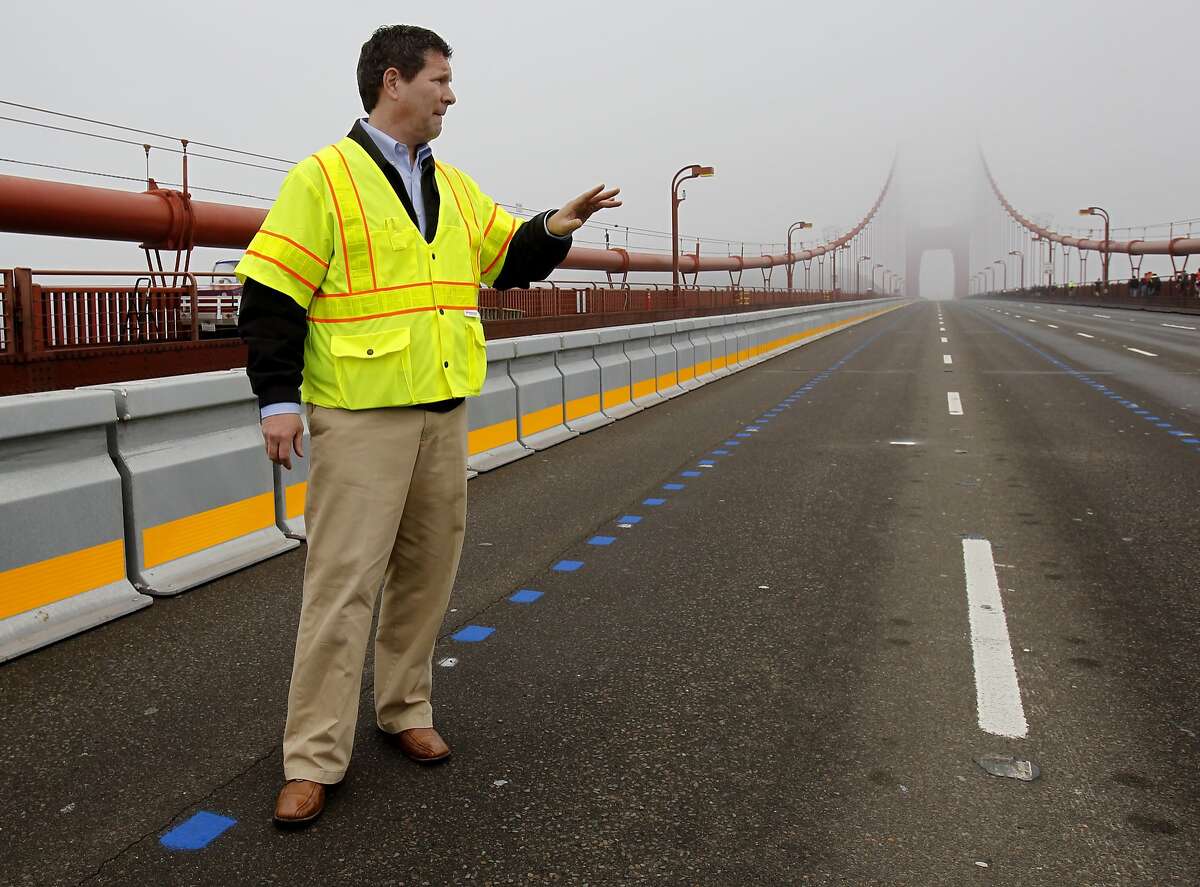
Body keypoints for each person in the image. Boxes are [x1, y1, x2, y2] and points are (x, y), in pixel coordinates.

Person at [236, 24, 621, 828]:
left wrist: (558, 224)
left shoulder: (455, 187)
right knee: (342, 586)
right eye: (440, 80)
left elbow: (507, 260)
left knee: (427, 575)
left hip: (443, 412)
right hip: (360, 416)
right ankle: (312, 757)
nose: (451, 94)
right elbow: (271, 293)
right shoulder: (324, 179)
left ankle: (404, 708)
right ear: (393, 81)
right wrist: (276, 400)